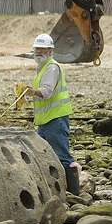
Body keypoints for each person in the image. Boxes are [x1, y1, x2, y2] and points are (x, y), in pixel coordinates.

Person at [24, 33, 78, 195]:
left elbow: (46, 92)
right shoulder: (44, 67)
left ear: (50, 51)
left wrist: (31, 92)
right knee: (42, 154)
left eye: (42, 49)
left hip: (56, 119)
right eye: (37, 49)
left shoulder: (52, 68)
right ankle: (55, 190)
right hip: (46, 120)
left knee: (62, 156)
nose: (39, 52)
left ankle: (74, 194)